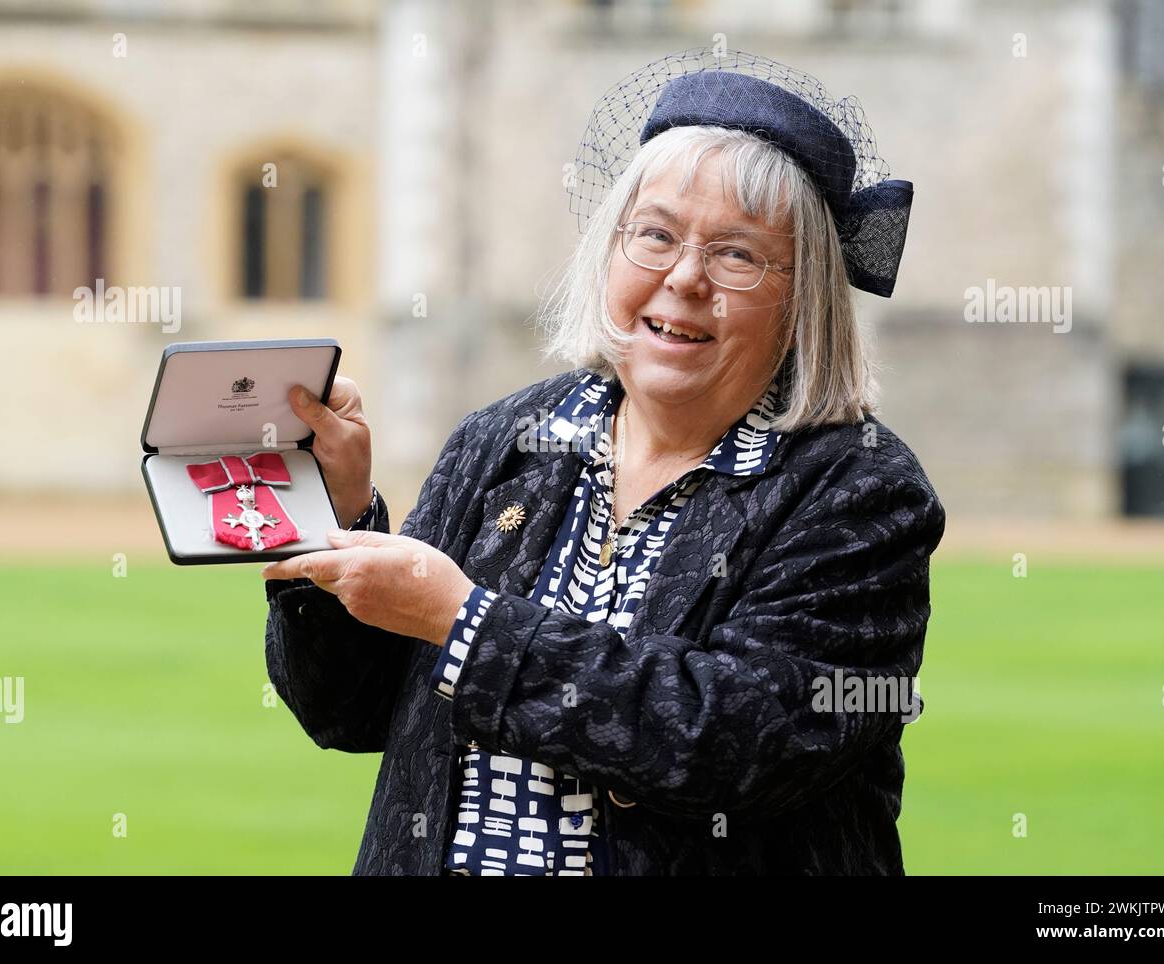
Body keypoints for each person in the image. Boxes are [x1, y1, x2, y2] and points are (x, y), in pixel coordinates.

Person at [260, 49, 944, 875]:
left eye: (737, 255)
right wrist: (334, 515)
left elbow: (730, 739)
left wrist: (466, 623)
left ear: (806, 299)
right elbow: (350, 713)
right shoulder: (504, 438)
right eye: (655, 235)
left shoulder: (861, 489)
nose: (684, 277)